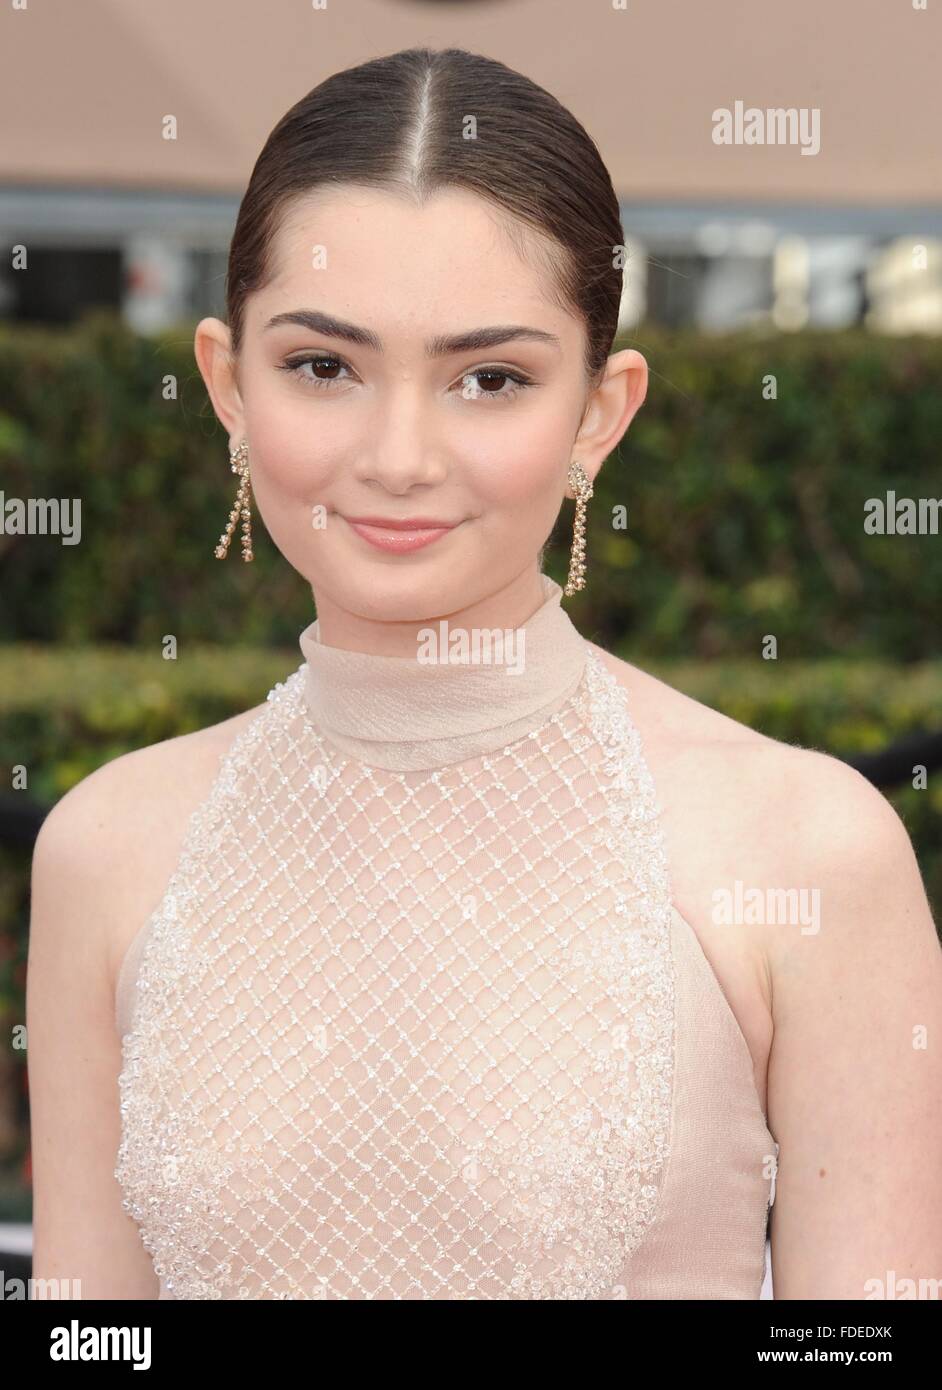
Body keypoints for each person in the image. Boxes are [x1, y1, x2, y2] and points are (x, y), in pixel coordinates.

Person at [27, 46, 941, 1301]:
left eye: (490, 379)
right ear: (228, 384)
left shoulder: (808, 849)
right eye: (323, 366)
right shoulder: (106, 850)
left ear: (600, 413)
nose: (400, 455)